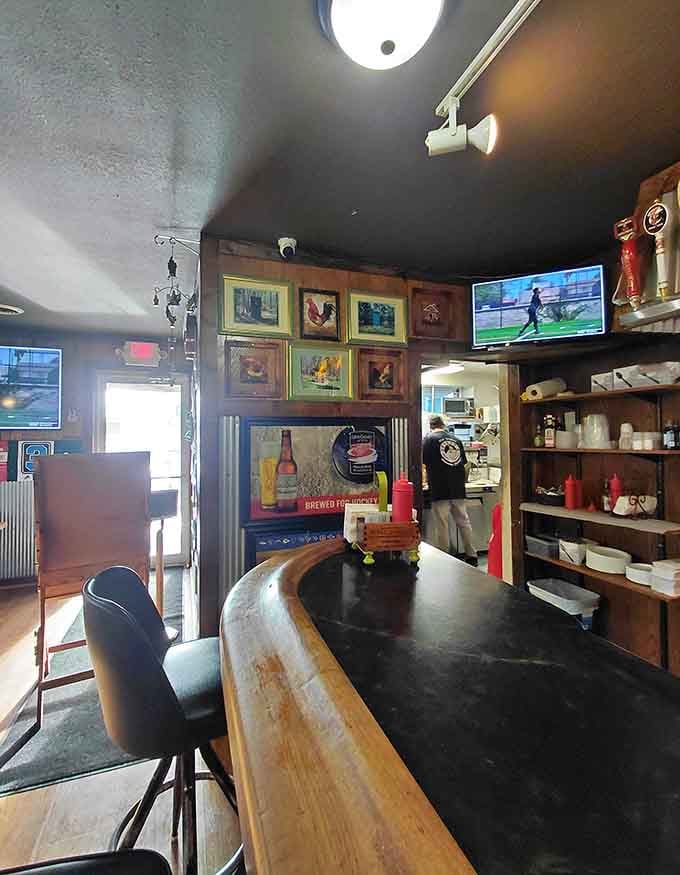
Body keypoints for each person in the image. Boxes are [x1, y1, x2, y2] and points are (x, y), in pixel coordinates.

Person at [422, 415, 478, 565]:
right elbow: (463, 464)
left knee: (442, 524)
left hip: (440, 488)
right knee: (464, 522)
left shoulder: (428, 440)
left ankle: (444, 557)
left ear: (430, 426)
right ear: (443, 424)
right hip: (458, 488)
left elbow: (424, 463)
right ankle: (472, 555)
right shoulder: (456, 440)